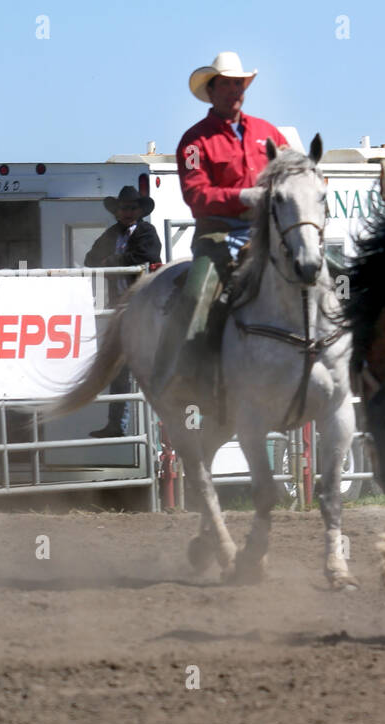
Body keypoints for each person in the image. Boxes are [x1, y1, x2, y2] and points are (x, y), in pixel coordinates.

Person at [154, 51, 289, 398]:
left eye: (239, 84)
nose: (235, 90)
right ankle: (184, 371)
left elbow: (291, 168)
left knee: (329, 272)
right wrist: (242, 197)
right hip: (219, 234)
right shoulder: (195, 141)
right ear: (211, 92)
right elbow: (196, 195)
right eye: (227, 84)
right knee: (197, 293)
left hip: (268, 231)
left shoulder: (269, 133)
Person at [83, 186, 162, 437]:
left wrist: (113, 261)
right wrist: (117, 260)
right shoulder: (112, 234)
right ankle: (117, 424)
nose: (127, 212)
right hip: (120, 308)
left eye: (132, 208)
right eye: (123, 208)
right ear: (116, 212)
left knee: (147, 367)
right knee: (120, 368)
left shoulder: (147, 231)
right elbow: (90, 258)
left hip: (141, 308)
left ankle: (165, 426)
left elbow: (147, 254)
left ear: (140, 211)